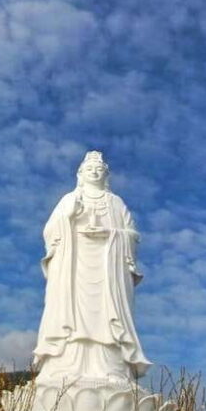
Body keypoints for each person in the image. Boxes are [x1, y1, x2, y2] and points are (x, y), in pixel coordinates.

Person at [33, 151, 151, 382]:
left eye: (99, 169)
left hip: (108, 267)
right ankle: (64, 366)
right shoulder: (68, 199)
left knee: (107, 316)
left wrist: (111, 234)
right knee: (71, 313)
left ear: (106, 175)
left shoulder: (115, 203)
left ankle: (112, 368)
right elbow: (49, 232)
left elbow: (132, 235)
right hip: (73, 264)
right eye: (89, 169)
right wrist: (67, 217)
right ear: (80, 174)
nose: (94, 172)